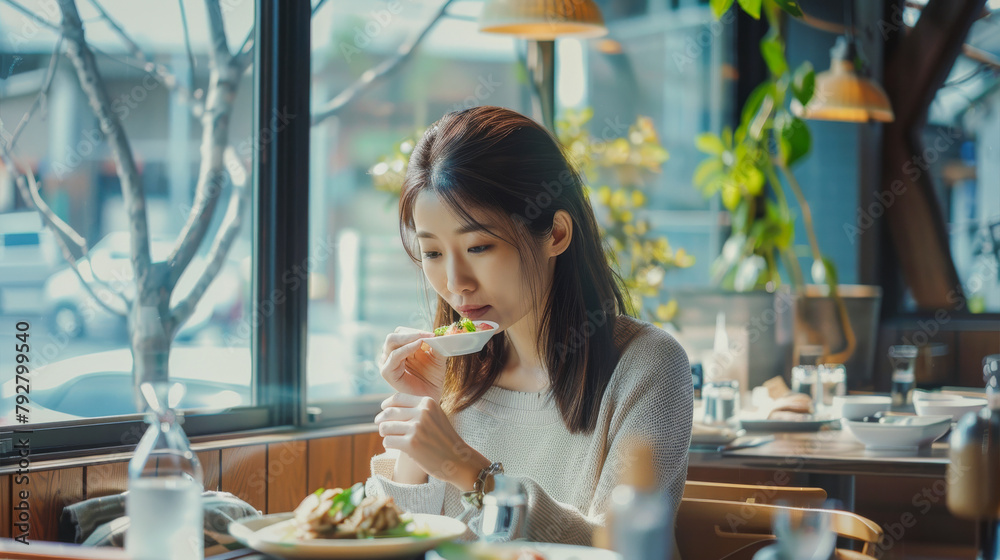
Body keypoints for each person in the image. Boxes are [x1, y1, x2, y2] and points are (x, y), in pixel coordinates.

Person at [366, 106, 693, 547]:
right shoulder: (447, 375)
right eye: (432, 253)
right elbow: (397, 543)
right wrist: (419, 405)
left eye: (479, 246)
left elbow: (622, 550)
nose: (455, 283)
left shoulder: (648, 366)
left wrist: (470, 471)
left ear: (556, 233)